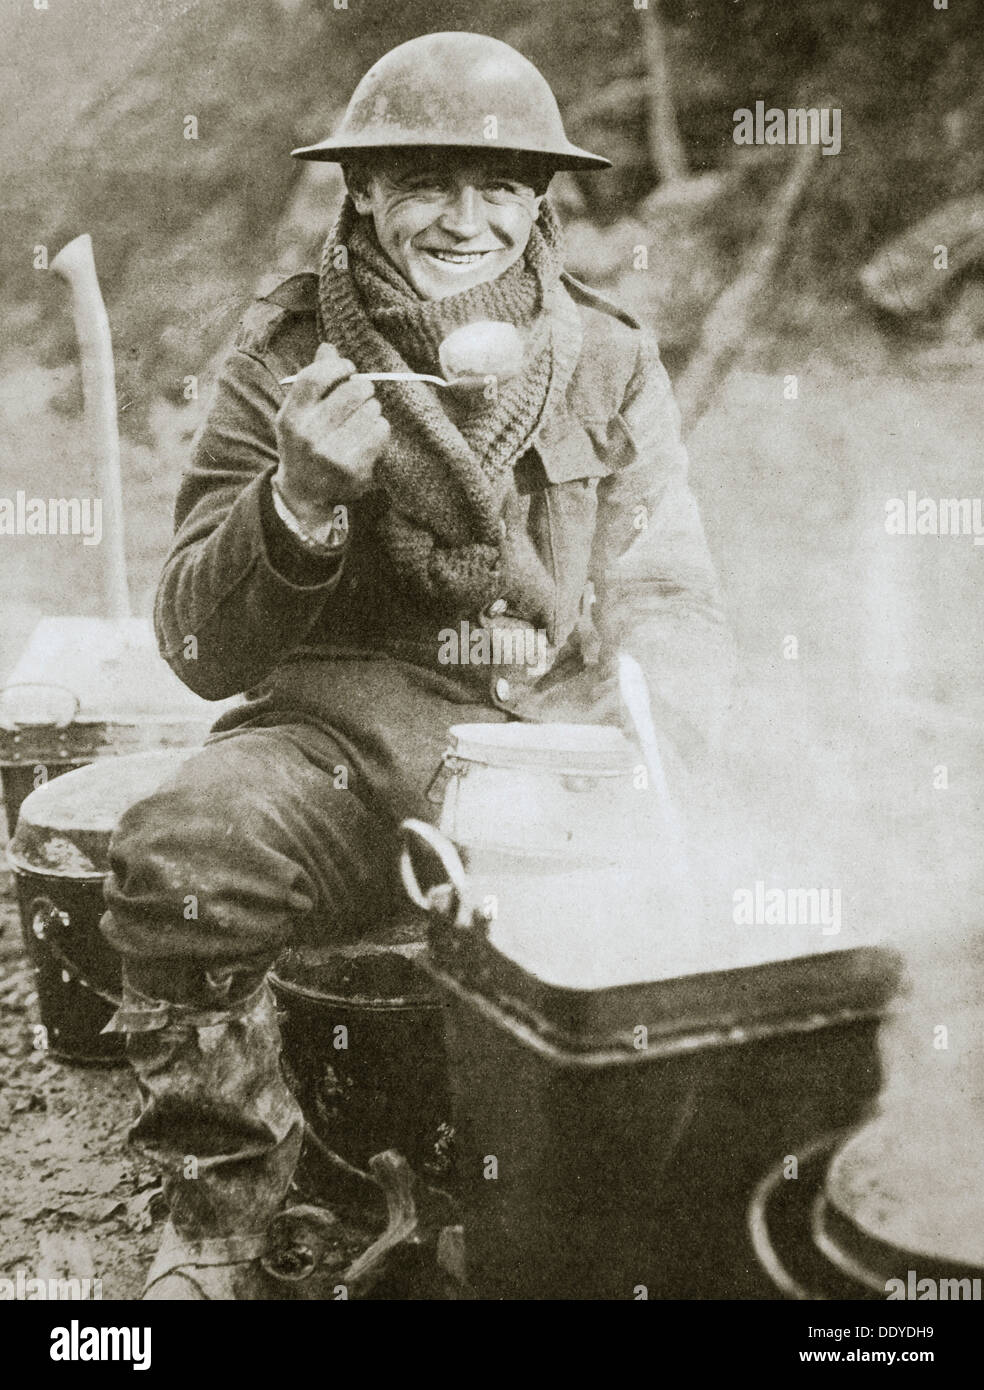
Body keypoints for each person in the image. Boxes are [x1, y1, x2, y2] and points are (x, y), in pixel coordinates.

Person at [99, 31, 734, 1299]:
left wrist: (678, 742)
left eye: (500, 184)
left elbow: (667, 589)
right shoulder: (287, 353)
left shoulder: (605, 357)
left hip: (552, 748)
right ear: (365, 193)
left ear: (541, 198)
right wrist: (295, 503)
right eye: (428, 182)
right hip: (342, 754)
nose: (467, 218)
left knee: (749, 858)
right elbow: (190, 642)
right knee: (182, 849)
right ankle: (220, 1212)